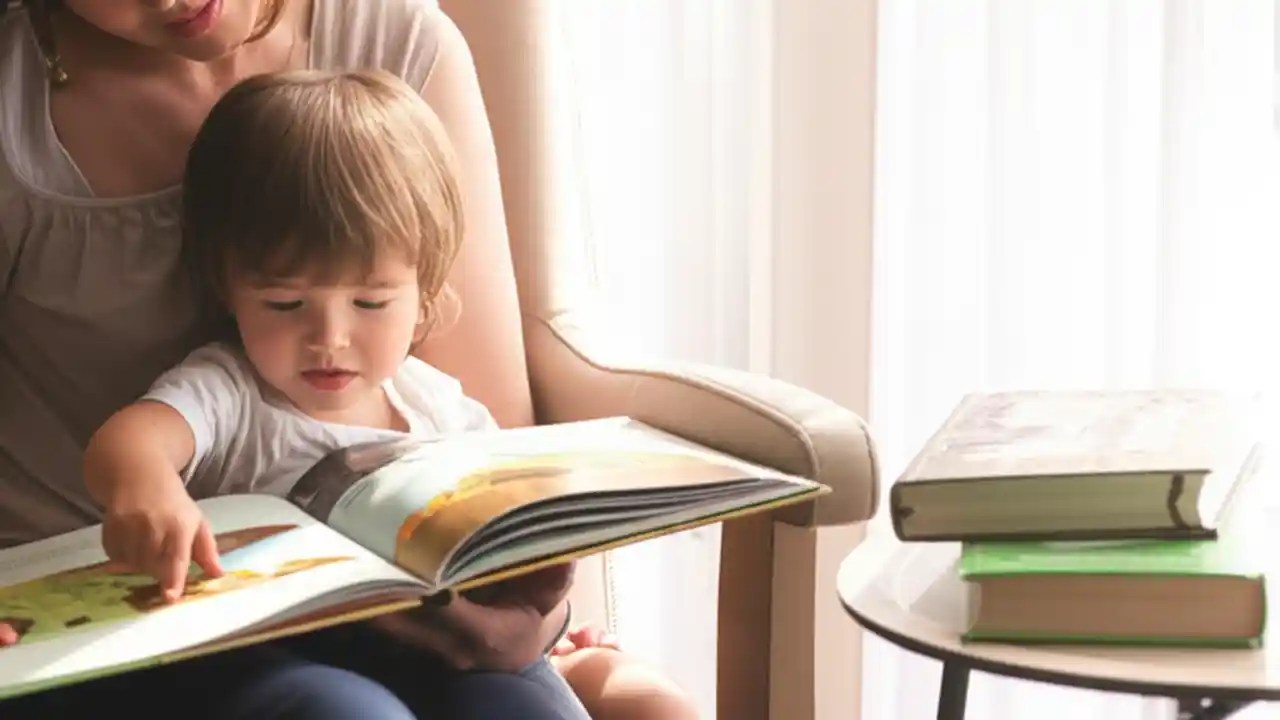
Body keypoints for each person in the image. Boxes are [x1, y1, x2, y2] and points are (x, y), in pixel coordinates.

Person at [0, 1, 698, 717]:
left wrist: (538, 599)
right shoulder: (230, 387)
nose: (328, 339)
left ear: (423, 300)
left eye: (369, 305)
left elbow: (508, 490)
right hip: (205, 643)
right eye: (282, 304)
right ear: (226, 286)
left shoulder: (432, 400)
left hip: (434, 631)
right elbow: (139, 439)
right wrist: (148, 490)